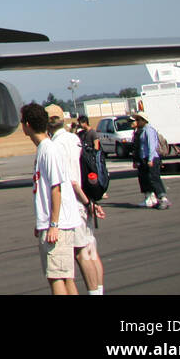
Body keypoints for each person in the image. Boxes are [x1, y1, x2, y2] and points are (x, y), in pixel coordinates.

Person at [21, 102, 78, 295]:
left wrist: (53, 224)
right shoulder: (44, 149)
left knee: (56, 279)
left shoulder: (49, 150)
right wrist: (42, 222)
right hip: (52, 223)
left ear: (27, 125)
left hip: (58, 226)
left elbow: (56, 188)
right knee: (65, 277)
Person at [47, 105, 104, 294]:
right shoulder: (74, 138)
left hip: (75, 203)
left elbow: (70, 181)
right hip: (86, 197)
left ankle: (93, 292)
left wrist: (86, 202)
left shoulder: (56, 145)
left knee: (82, 254)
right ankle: (99, 291)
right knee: (91, 250)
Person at [132, 112, 170, 209]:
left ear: (144, 120)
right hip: (143, 159)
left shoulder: (149, 130)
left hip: (151, 158)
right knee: (145, 179)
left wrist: (150, 159)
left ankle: (163, 199)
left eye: (138, 120)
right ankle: (150, 199)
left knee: (154, 179)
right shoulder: (141, 130)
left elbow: (151, 146)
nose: (137, 122)